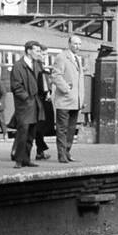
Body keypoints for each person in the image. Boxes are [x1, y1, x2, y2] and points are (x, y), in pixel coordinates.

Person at [9, 40, 45, 169]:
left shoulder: (37, 64)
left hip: (35, 103)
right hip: (24, 105)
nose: (38, 53)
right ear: (29, 51)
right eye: (36, 50)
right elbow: (16, 86)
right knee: (22, 133)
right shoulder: (18, 66)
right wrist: (26, 98)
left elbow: (42, 81)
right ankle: (19, 160)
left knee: (31, 134)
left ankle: (26, 159)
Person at [50, 34, 84, 163]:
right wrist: (66, 89)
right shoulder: (62, 57)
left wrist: (81, 98)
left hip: (75, 101)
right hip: (64, 101)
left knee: (71, 129)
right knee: (62, 129)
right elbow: (55, 76)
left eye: (79, 44)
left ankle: (67, 152)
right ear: (69, 44)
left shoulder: (78, 59)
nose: (77, 46)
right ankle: (61, 155)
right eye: (75, 44)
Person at [33, 53, 54, 160]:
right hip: (41, 103)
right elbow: (45, 88)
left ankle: (40, 151)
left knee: (37, 128)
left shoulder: (38, 68)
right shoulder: (41, 71)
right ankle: (40, 150)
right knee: (38, 128)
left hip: (37, 101)